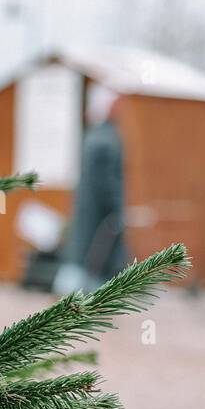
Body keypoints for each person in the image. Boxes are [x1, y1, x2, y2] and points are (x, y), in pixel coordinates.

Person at [53, 83, 127, 294]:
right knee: (94, 264)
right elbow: (109, 187)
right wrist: (119, 212)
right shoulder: (107, 140)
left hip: (86, 217)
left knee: (80, 259)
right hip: (99, 219)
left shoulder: (93, 137)